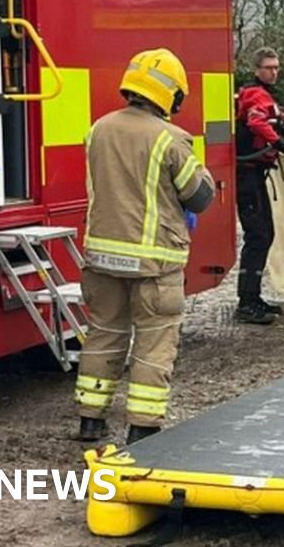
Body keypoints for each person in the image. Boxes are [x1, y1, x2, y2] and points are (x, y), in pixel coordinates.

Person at [75, 48, 215, 445]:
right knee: (154, 343)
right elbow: (199, 197)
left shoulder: (99, 129)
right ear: (170, 94)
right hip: (154, 263)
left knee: (103, 334)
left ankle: (90, 420)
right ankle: (143, 428)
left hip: (101, 259)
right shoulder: (170, 139)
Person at [234, 47, 284, 325]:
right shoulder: (256, 95)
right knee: (259, 236)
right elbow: (256, 121)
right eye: (269, 67)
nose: (274, 72)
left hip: (254, 173)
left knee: (264, 234)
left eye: (277, 67)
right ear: (256, 70)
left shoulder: (261, 94)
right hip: (247, 175)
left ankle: (253, 296)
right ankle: (247, 303)